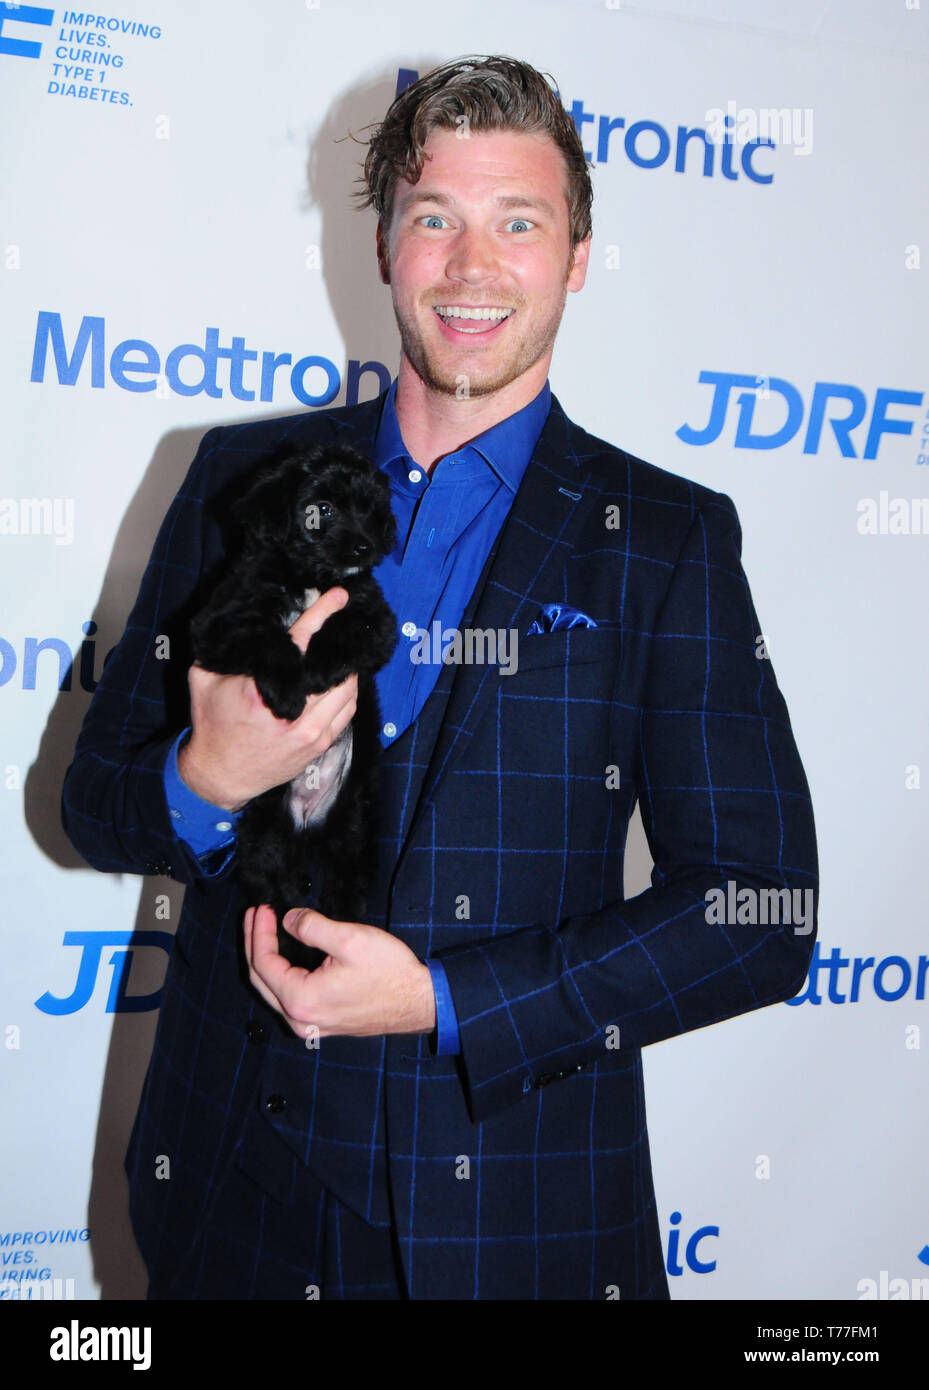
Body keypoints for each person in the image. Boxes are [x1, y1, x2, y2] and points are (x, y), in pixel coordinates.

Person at [62, 55, 818, 1300]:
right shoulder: (235, 479)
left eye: (517, 222)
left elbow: (761, 911)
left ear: (576, 255)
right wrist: (204, 779)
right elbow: (96, 806)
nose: (472, 267)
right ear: (382, 247)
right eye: (435, 219)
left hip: (511, 1231)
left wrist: (444, 999)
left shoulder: (667, 540)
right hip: (221, 1203)